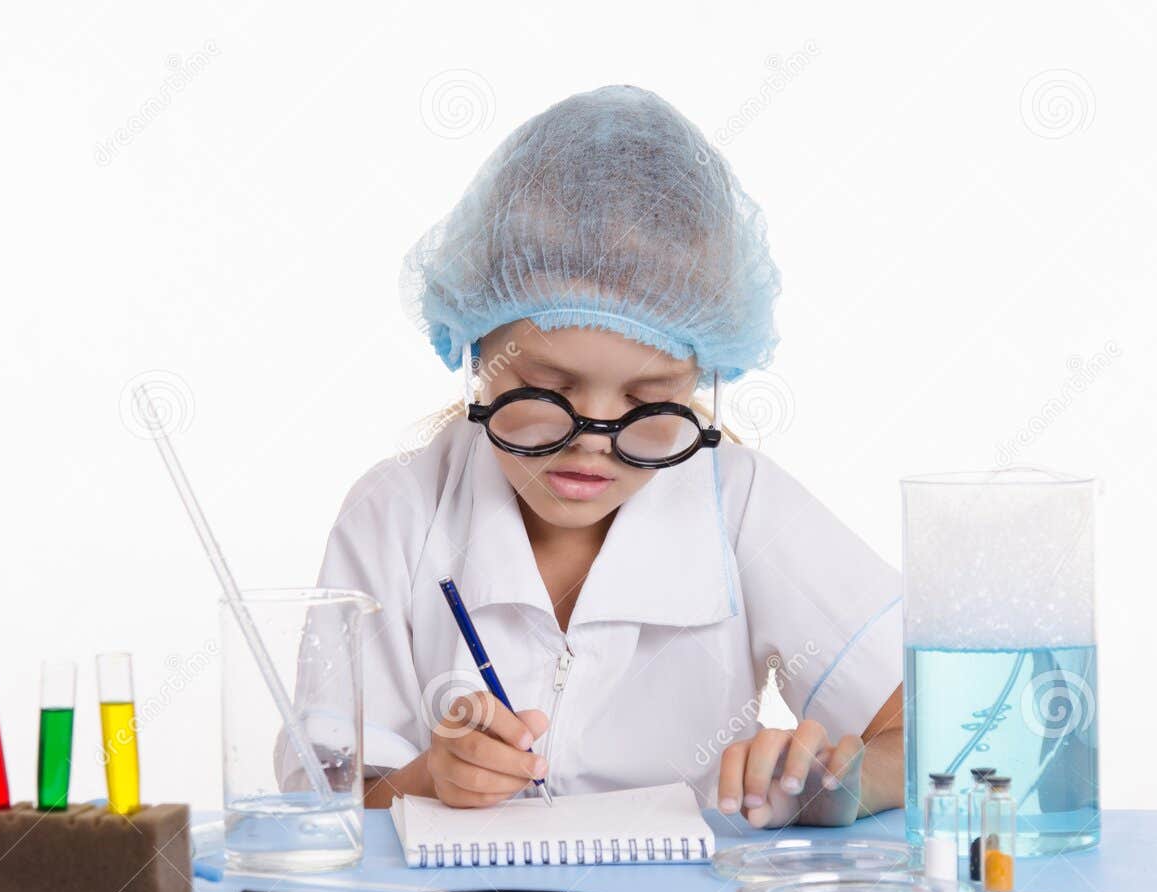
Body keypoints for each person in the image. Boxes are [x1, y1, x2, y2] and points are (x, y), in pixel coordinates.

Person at [310, 86, 903, 828]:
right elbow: (318, 805)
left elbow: (942, 725)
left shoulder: (740, 504)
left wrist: (845, 781)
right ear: (475, 351)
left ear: (702, 379)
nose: (593, 435)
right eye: (546, 387)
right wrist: (428, 778)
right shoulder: (394, 516)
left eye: (649, 399)